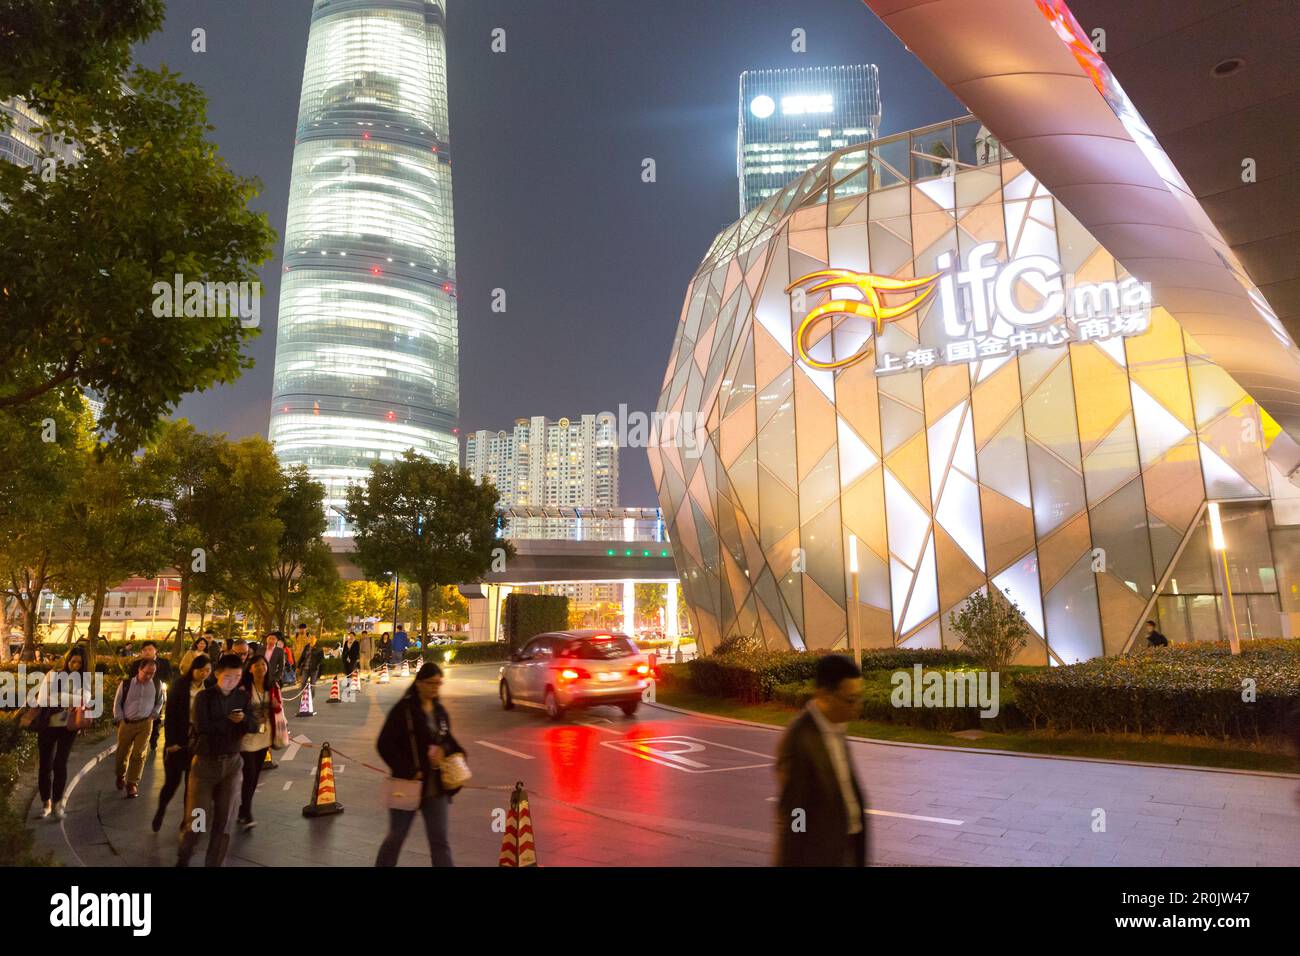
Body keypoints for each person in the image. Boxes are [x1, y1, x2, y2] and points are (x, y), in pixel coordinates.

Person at [774, 654, 867, 867]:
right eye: (850, 700)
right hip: (821, 857)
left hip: (846, 850)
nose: (858, 706)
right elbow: (796, 812)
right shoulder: (800, 740)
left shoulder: (836, 727)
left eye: (859, 697)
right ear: (824, 695)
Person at [375, 662, 464, 866]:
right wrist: (407, 770)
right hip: (408, 784)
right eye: (432, 683)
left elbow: (449, 741)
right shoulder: (404, 711)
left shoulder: (440, 712)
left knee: (440, 841)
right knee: (396, 837)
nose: (435, 687)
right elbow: (384, 744)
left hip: (436, 788)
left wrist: (448, 752)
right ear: (419, 683)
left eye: (439, 683)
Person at [177, 654, 256, 867]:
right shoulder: (204, 697)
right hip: (204, 765)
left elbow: (253, 726)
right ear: (218, 674)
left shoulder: (242, 698)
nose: (233, 681)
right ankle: (184, 854)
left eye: (237, 676)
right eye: (228, 676)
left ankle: (214, 863)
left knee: (224, 822)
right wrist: (231, 723)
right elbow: (203, 728)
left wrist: (245, 720)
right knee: (198, 821)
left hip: (232, 764)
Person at [153, 654, 211, 833]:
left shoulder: (210, 689)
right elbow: (169, 717)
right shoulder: (179, 686)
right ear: (193, 669)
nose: (204, 674)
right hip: (178, 742)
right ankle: (161, 811)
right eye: (201, 670)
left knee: (192, 786)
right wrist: (171, 742)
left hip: (198, 744)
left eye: (208, 671)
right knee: (171, 783)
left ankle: (188, 821)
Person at [33, 646, 92, 819]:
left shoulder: (84, 679)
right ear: (67, 660)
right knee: (45, 765)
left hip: (69, 726)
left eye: (79, 663)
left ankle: (58, 803)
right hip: (48, 725)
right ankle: (46, 802)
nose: (75, 665)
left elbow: (86, 699)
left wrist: (58, 696)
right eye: (72, 661)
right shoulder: (53, 674)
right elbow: (43, 699)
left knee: (60, 764)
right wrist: (71, 698)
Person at [236, 655, 280, 829]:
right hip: (247, 737)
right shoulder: (243, 688)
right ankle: (246, 812)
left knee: (254, 777)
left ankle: (243, 809)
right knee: (250, 774)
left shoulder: (272, 686)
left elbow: (278, 709)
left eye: (264, 664)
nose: (261, 668)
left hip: (265, 736)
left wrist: (276, 705)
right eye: (257, 665)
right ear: (250, 668)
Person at [112, 657, 163, 799]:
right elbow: (117, 703)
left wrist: (153, 715)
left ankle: (132, 783)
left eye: (152, 673)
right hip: (127, 723)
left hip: (145, 723)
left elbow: (160, 701)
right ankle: (120, 775)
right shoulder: (126, 684)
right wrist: (120, 719)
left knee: (139, 754)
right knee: (122, 753)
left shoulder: (157, 684)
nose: (149, 676)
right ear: (139, 670)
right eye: (146, 672)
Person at [140, 642, 174, 751]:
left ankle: (153, 739)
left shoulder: (164, 663)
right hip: (139, 696)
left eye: (150, 649)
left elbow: (169, 678)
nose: (147, 652)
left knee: (155, 719)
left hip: (157, 695)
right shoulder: (137, 664)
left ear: (155, 650)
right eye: (145, 650)